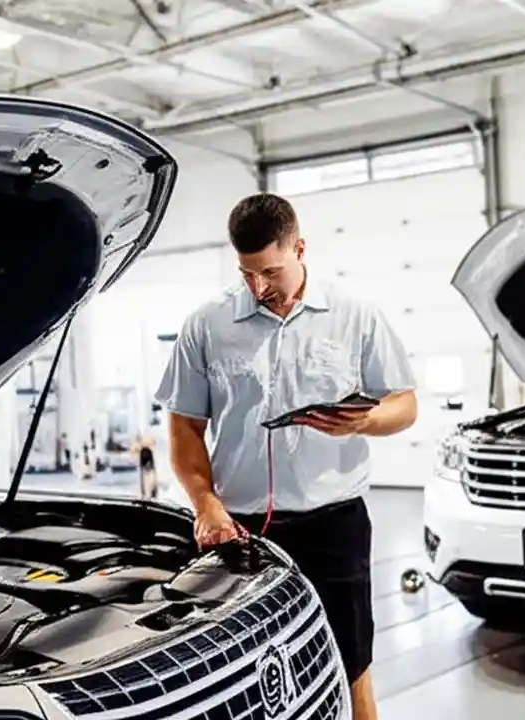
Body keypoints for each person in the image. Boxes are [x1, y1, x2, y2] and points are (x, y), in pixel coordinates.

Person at [155, 192, 417, 720]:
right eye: (247, 274)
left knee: (351, 661)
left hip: (333, 524)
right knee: (237, 668)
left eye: (270, 272)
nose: (258, 287)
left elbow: (405, 405)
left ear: (300, 248)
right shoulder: (207, 325)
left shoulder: (354, 316)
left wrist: (367, 420)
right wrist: (204, 504)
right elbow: (184, 425)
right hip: (240, 528)